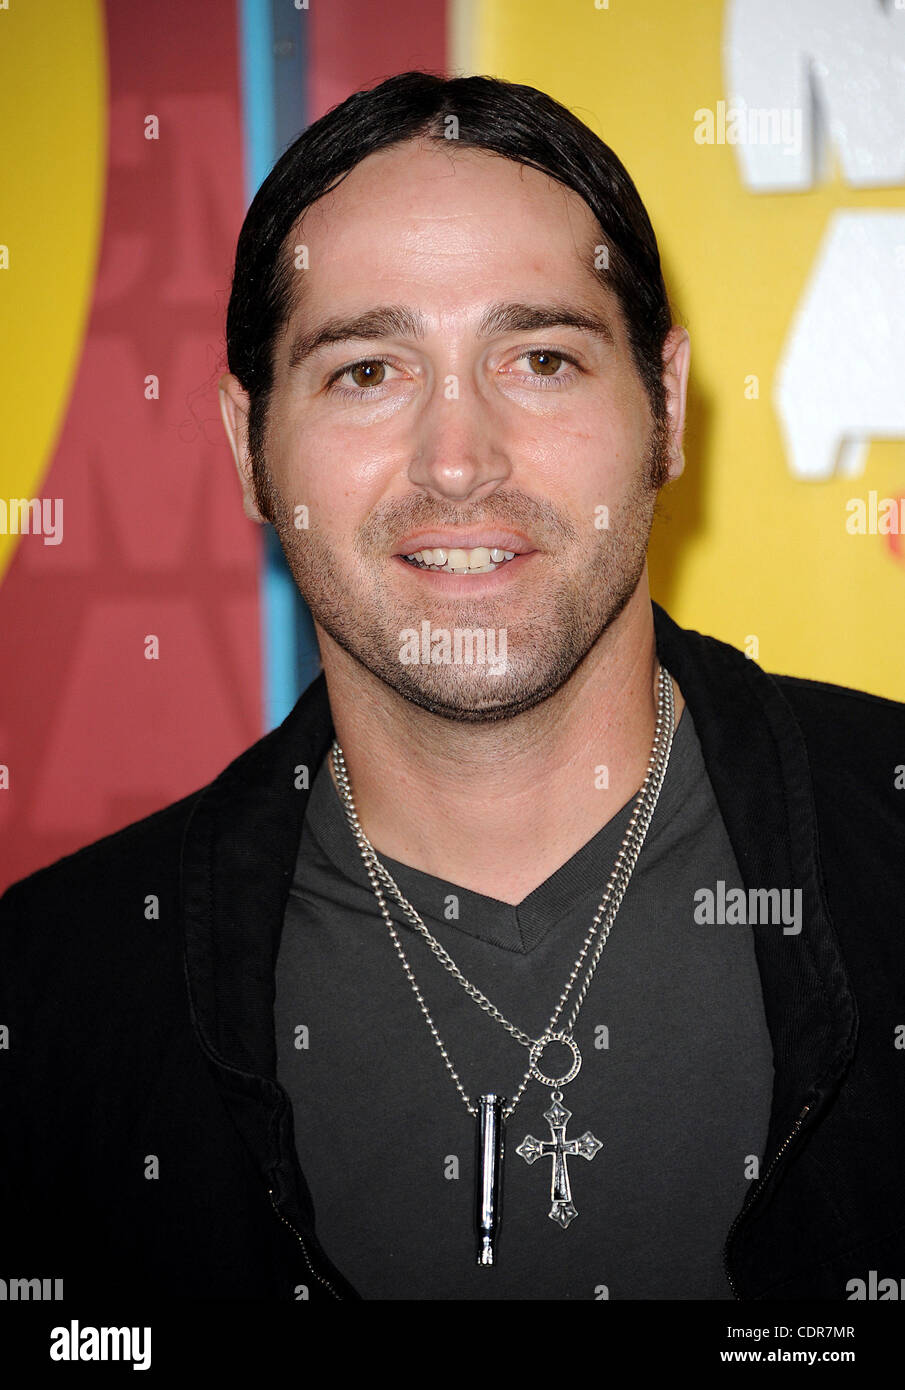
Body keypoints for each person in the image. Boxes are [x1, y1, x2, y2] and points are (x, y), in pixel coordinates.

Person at [1, 70, 903, 1304]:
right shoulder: (52, 1001)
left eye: (537, 357)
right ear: (246, 446)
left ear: (667, 410)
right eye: (367, 371)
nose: (457, 461)